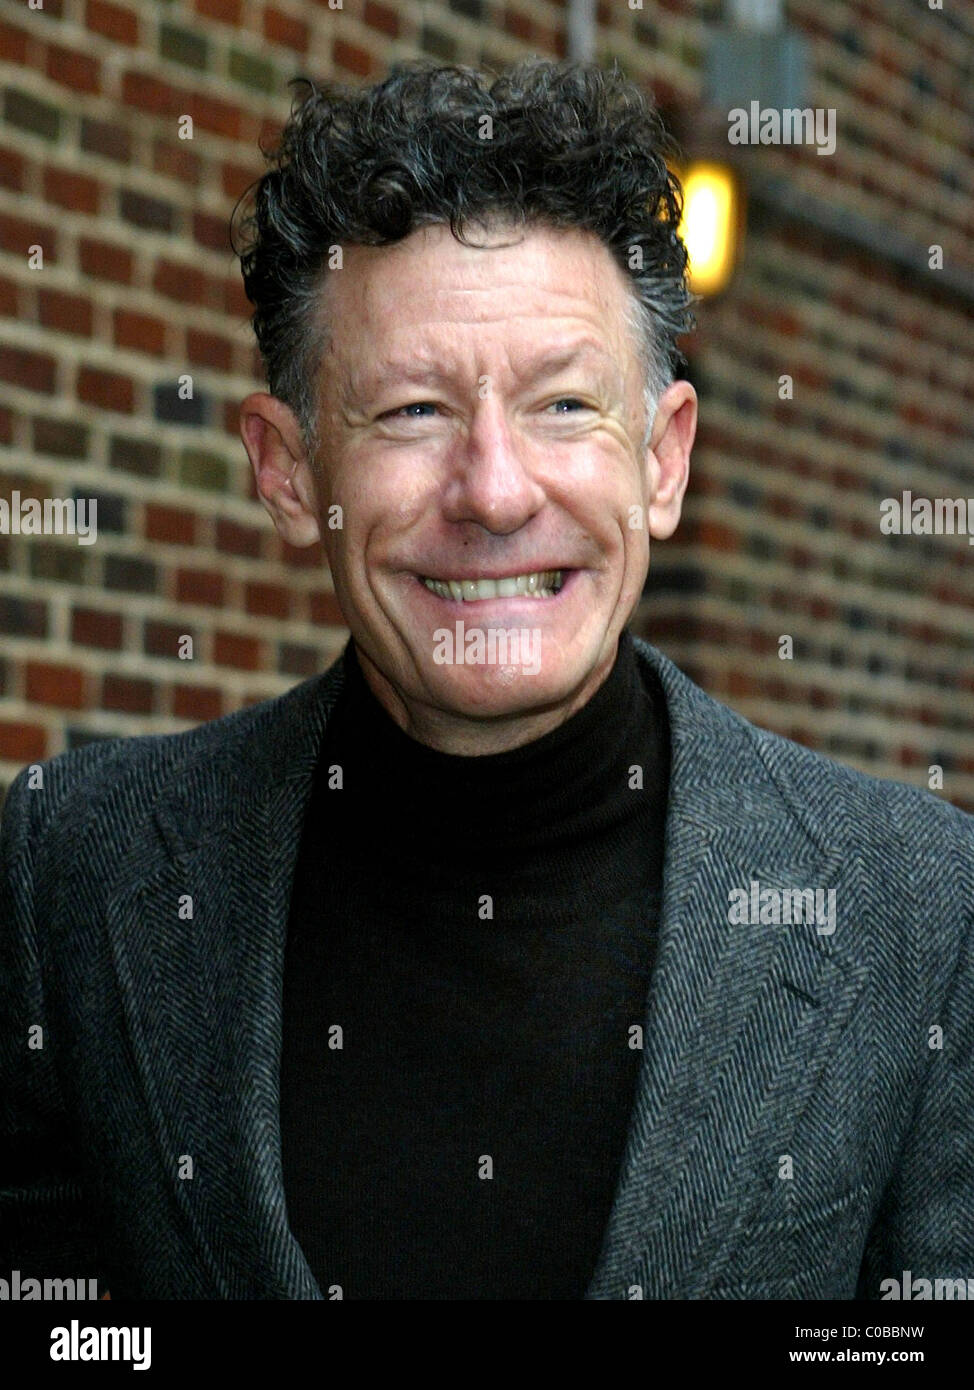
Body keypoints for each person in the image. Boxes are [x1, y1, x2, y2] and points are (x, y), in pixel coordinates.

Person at [1, 59, 971, 1302]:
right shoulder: (74, 875)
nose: (496, 489)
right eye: (410, 411)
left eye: (564, 404)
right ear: (289, 471)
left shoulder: (917, 909)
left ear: (662, 462)